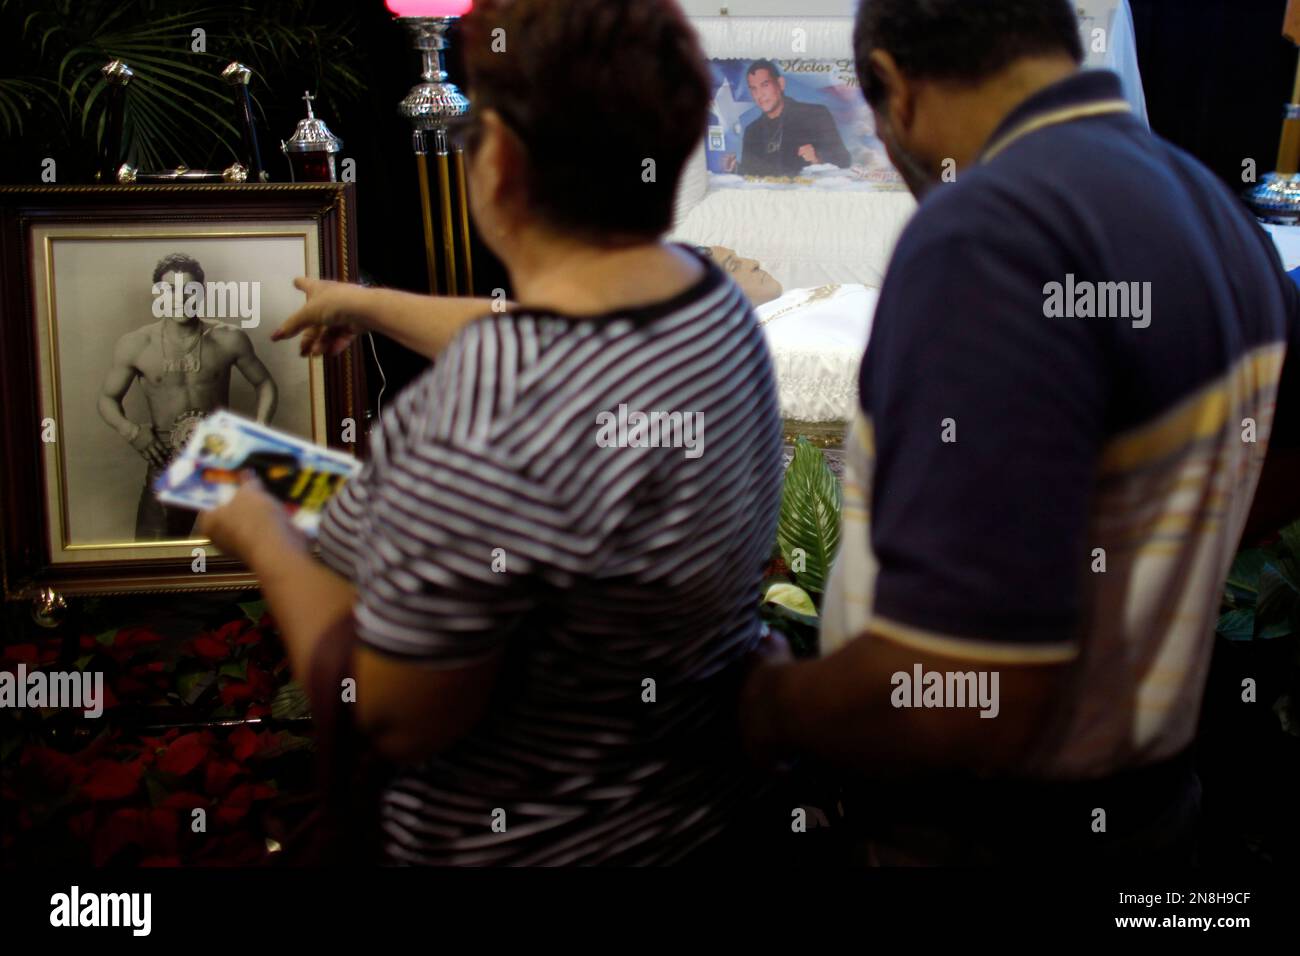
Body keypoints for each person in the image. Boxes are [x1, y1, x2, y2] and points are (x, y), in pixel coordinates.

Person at [198, 0, 786, 866]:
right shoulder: (714, 302)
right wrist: (368, 302)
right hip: (699, 820)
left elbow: (398, 715)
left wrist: (261, 530)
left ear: (500, 159)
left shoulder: (488, 409)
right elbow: (555, 340)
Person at [740, 0, 1300, 865]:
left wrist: (766, 702)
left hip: (990, 833)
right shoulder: (1216, 208)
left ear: (890, 84)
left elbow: (966, 688)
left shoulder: (990, 233)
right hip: (1157, 811)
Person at [97, 253, 278, 540]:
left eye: (189, 290)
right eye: (169, 291)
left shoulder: (228, 338)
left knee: (239, 557)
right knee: (155, 562)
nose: (179, 299)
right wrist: (131, 432)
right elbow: (107, 399)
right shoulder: (136, 344)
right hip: (166, 462)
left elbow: (265, 384)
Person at [738, 59, 852, 177]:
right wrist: (735, 168)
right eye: (753, 89)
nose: (759, 95)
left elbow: (844, 161)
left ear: (780, 84)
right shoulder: (752, 131)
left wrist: (818, 159)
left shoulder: (815, 115)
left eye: (765, 85)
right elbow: (748, 176)